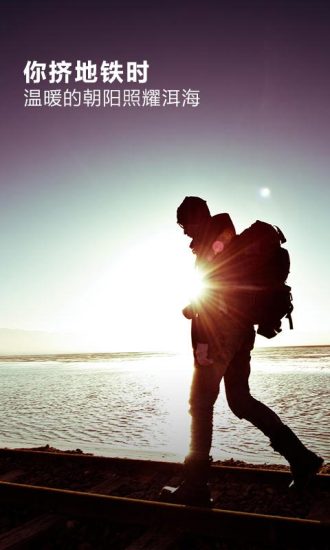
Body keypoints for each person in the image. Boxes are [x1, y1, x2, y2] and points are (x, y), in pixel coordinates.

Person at [162, 196, 323, 507]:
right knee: (240, 400)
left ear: (196, 218)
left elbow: (218, 289)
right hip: (240, 333)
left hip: (219, 334)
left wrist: (196, 312)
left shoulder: (214, 241)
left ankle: (195, 485)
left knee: (200, 403)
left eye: (184, 224)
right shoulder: (226, 239)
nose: (183, 231)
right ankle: (301, 459)